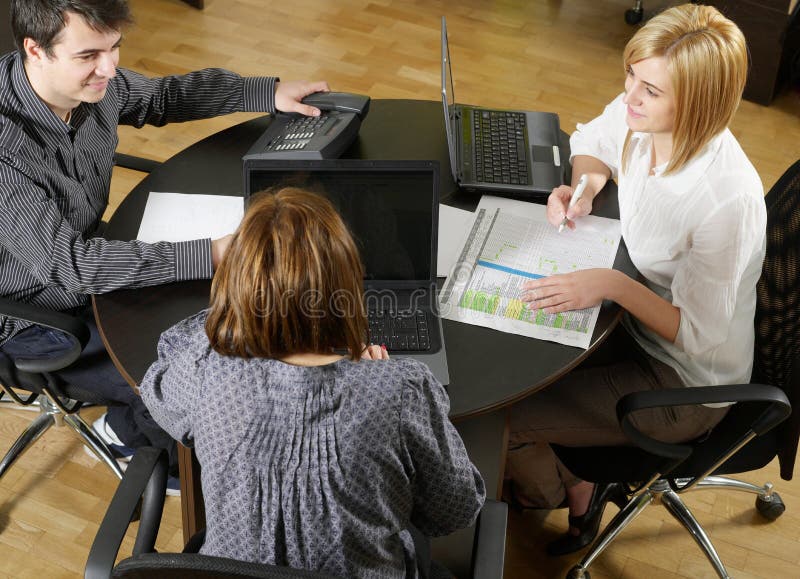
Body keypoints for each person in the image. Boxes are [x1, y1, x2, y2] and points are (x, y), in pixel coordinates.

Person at [0, 0, 330, 494]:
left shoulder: (89, 86)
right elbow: (74, 269)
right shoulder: (7, 153)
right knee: (193, 370)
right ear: (35, 49)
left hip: (88, 258)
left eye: (114, 49)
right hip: (35, 314)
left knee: (220, 311)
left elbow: (164, 97)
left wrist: (267, 92)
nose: (109, 69)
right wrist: (211, 253)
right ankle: (133, 437)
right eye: (90, 54)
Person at [504, 3, 766, 556]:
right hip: (631, 322)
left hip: (684, 381)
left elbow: (697, 336)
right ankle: (574, 480)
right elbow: (594, 140)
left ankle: (555, 492)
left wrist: (609, 283)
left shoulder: (725, 202)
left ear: (697, 103)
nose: (631, 97)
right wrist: (585, 186)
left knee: (505, 417)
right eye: (631, 74)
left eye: (650, 88)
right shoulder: (644, 116)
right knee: (518, 359)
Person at [139, 187, 485, 577]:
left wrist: (232, 316)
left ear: (237, 280)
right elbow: (455, 510)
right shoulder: (400, 391)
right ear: (348, 283)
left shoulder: (207, 367)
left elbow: (158, 392)